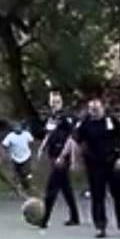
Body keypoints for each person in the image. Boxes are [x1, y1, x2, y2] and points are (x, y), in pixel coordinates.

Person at [60, 97, 120, 238]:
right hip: (94, 164)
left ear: (103, 108)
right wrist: (75, 160)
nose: (94, 112)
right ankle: (100, 226)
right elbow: (75, 141)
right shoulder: (85, 123)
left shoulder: (112, 120)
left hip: (113, 162)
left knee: (119, 194)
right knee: (97, 196)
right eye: (92, 109)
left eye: (97, 109)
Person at [37, 92, 80, 228]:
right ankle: (75, 216)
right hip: (53, 155)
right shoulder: (51, 118)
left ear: (61, 102)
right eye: (52, 101)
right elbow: (48, 135)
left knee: (52, 188)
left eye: (57, 101)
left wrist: (68, 157)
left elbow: (71, 138)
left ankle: (44, 219)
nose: (54, 104)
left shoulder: (66, 118)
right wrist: (41, 148)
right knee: (65, 187)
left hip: (62, 156)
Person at [2, 123, 34, 191]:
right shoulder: (10, 136)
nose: (17, 129)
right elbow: (5, 145)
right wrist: (7, 153)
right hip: (15, 157)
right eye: (16, 127)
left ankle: (26, 186)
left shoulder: (26, 134)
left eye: (19, 127)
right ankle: (15, 188)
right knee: (16, 174)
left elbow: (31, 141)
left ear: (22, 128)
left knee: (24, 172)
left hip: (26, 156)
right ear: (13, 128)